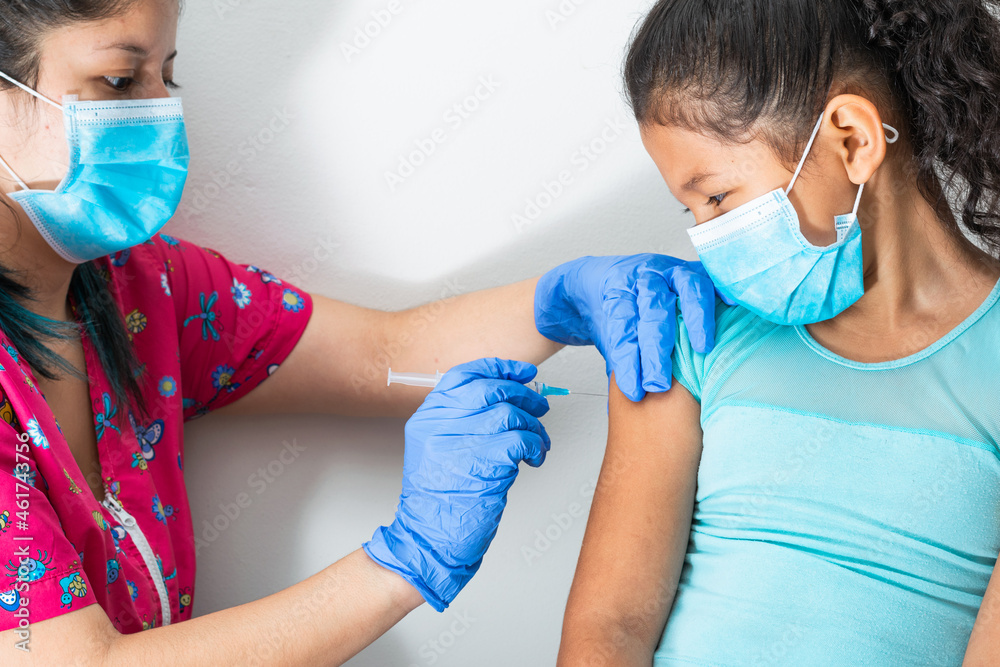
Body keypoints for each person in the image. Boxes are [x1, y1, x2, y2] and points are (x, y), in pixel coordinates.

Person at [0, 0, 723, 664]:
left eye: (168, 73)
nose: (163, 114)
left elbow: (388, 354)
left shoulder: (140, 288)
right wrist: (407, 559)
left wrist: (560, 301)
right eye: (121, 81)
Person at [558, 0, 1000, 664]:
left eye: (717, 198)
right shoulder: (689, 334)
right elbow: (610, 625)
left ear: (851, 140)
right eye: (691, 208)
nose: (707, 238)